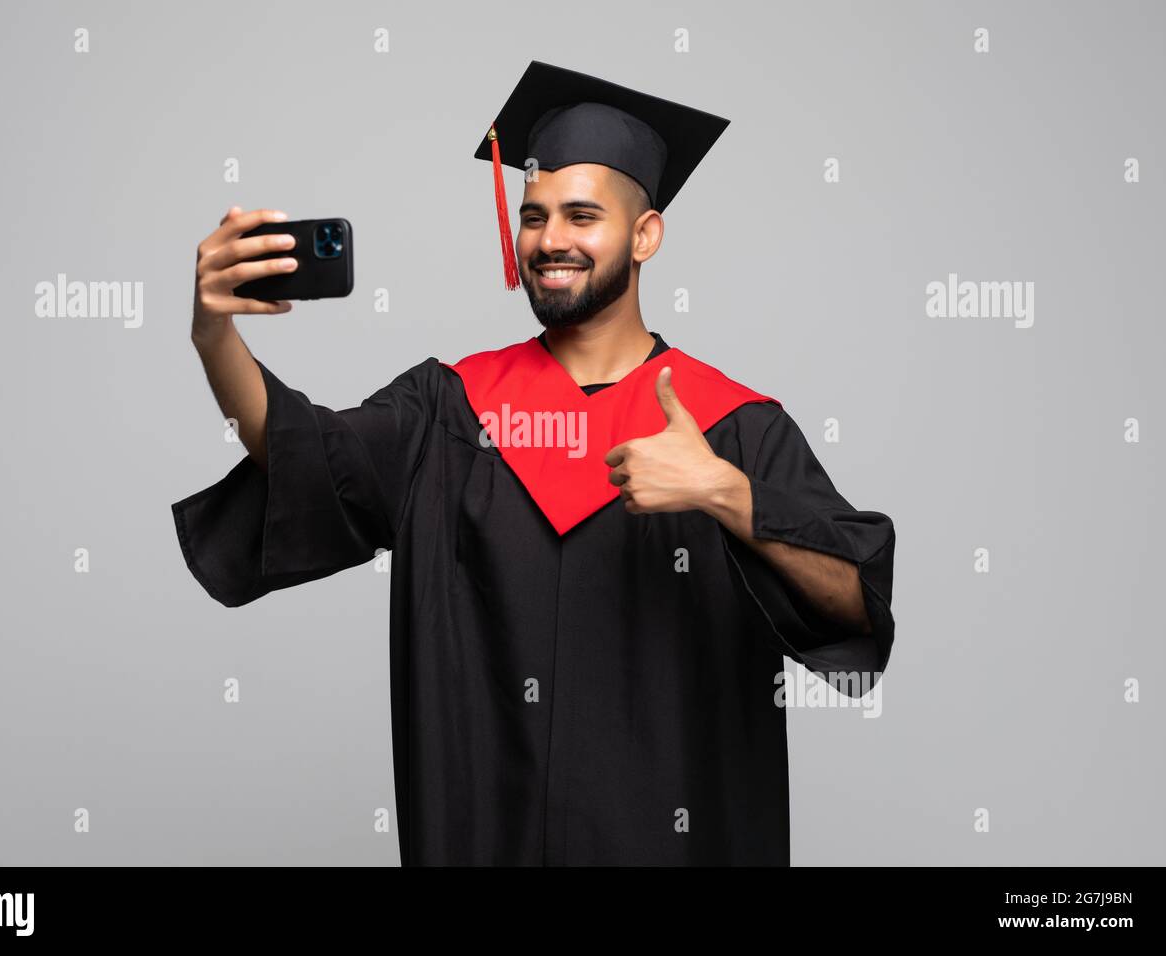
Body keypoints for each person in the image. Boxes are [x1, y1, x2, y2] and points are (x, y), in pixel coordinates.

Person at [172, 60, 896, 866]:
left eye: (583, 216)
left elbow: (855, 604)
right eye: (534, 215)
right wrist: (213, 335)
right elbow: (304, 454)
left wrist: (729, 496)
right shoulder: (449, 411)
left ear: (646, 234)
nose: (551, 240)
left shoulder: (734, 429)